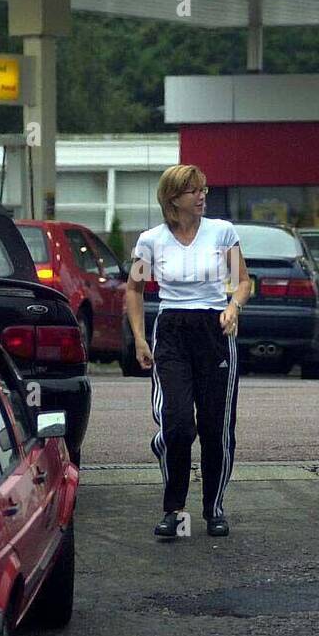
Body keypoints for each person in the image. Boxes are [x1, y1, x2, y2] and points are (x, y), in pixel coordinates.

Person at [125, 165, 252, 539]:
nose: (202, 196)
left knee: (216, 427)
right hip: (172, 332)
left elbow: (243, 281)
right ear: (172, 198)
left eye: (204, 189)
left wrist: (233, 307)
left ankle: (214, 508)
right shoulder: (151, 240)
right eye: (193, 190)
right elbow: (134, 290)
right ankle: (174, 509)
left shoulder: (222, 231)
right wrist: (139, 338)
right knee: (178, 424)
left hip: (214, 329)